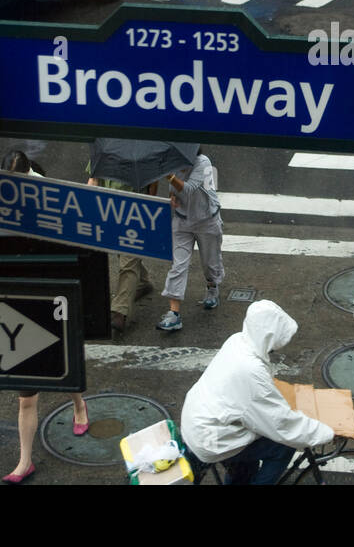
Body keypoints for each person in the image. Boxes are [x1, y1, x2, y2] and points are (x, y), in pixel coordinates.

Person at [0, 150, 88, 484]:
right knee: (27, 398)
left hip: (49, 300)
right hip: (18, 307)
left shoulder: (50, 199)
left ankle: (79, 405)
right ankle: (24, 462)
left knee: (62, 367)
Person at [180, 300, 336, 485]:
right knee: (283, 447)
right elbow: (282, 424)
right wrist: (326, 433)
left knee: (247, 463)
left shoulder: (237, 341)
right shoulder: (251, 371)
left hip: (199, 420)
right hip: (212, 437)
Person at [157, 152, 224, 332]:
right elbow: (176, 191)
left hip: (207, 221)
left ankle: (212, 287)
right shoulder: (171, 162)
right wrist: (172, 197)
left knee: (210, 264)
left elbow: (188, 188)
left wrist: (169, 176)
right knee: (178, 265)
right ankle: (174, 314)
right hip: (182, 221)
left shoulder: (202, 162)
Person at [87, 164, 155, 334]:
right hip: (108, 213)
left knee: (128, 263)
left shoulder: (142, 155)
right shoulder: (102, 150)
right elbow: (93, 179)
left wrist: (148, 208)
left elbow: (152, 184)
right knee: (123, 256)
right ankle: (143, 282)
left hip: (133, 215)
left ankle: (120, 312)